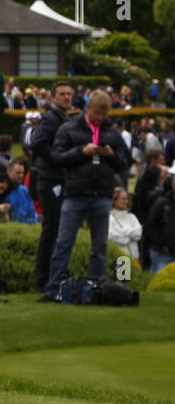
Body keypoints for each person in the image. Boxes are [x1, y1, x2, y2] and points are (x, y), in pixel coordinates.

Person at [43, 89, 128, 298]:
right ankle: (54, 289)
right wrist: (82, 152)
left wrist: (111, 155)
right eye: (97, 113)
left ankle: (95, 289)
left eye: (104, 113)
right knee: (64, 243)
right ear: (88, 108)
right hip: (75, 193)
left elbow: (125, 163)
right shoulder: (69, 128)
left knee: (99, 247)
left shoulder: (113, 132)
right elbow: (57, 156)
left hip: (101, 194)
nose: (100, 118)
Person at [29, 80, 74, 292]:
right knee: (52, 229)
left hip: (56, 178)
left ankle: (53, 276)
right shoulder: (51, 118)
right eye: (62, 94)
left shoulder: (63, 118)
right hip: (50, 179)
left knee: (56, 230)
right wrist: (58, 157)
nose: (67, 97)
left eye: (69, 94)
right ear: (53, 98)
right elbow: (37, 142)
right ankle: (45, 279)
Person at [108, 187, 143, 261]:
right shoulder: (110, 218)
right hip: (120, 259)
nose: (126, 201)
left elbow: (139, 234)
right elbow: (111, 237)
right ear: (114, 200)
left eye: (127, 199)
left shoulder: (132, 216)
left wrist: (124, 231)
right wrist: (130, 236)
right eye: (123, 199)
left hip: (135, 258)